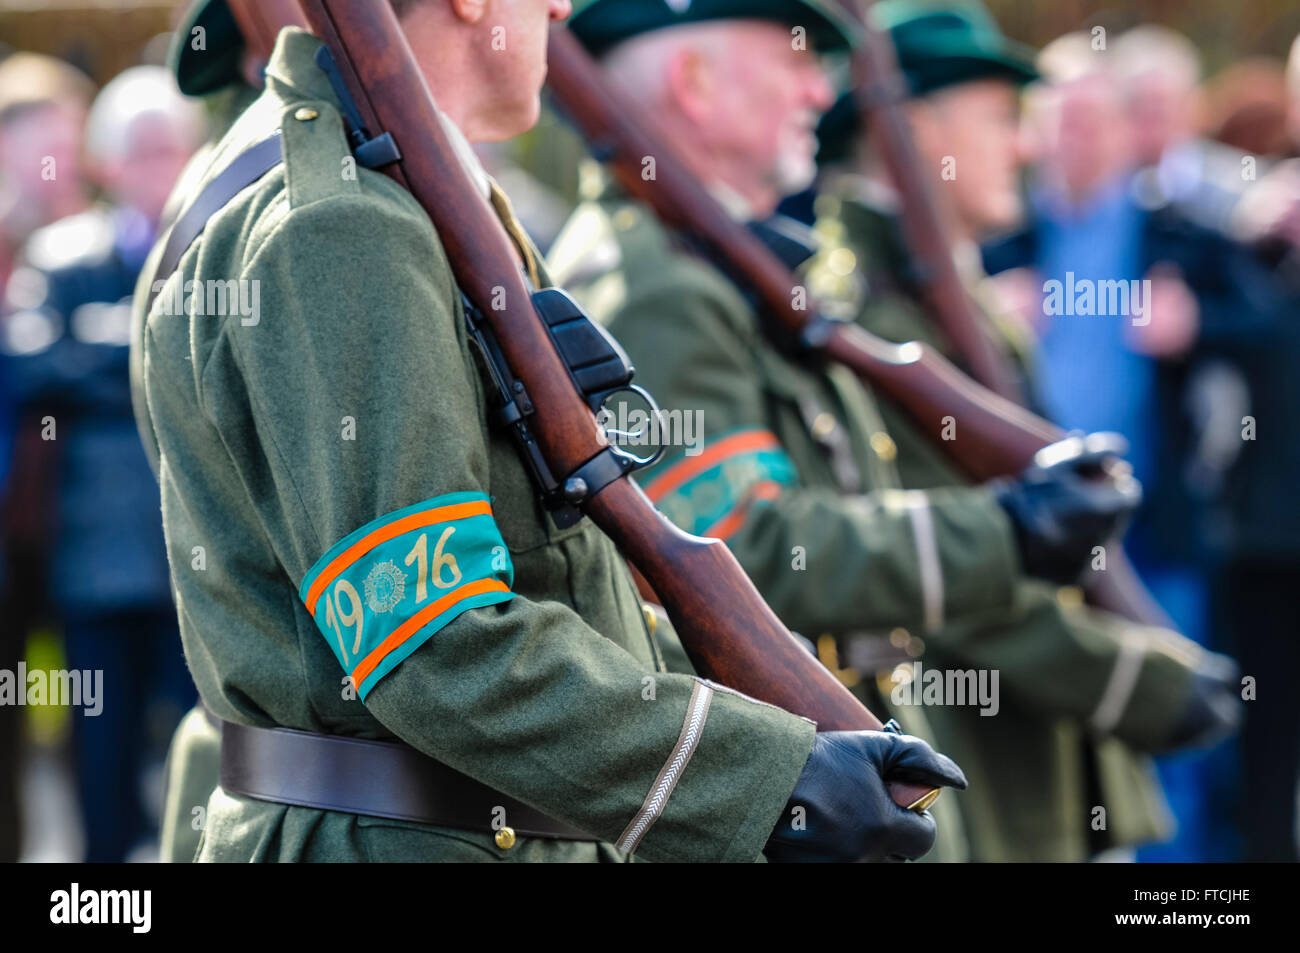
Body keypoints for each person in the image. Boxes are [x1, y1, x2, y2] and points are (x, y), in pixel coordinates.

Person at [131, 0, 967, 864]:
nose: (562, 8)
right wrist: (764, 773)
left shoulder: (394, 189)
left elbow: (552, 579)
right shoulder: (343, 222)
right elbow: (439, 643)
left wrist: (783, 738)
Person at [548, 0, 1242, 861]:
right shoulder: (660, 286)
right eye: (796, 60)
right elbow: (739, 541)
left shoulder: (734, 273)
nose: (820, 89)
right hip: (811, 780)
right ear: (694, 82)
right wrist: (1008, 532)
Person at [1, 64, 204, 861]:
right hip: (94, 558)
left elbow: (213, 368)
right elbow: (36, 364)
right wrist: (149, 351)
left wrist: (108, 344)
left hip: (192, 561)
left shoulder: (212, 245)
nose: (158, 167)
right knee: (99, 752)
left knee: (200, 749)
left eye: (170, 148)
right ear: (107, 163)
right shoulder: (61, 254)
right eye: (142, 150)